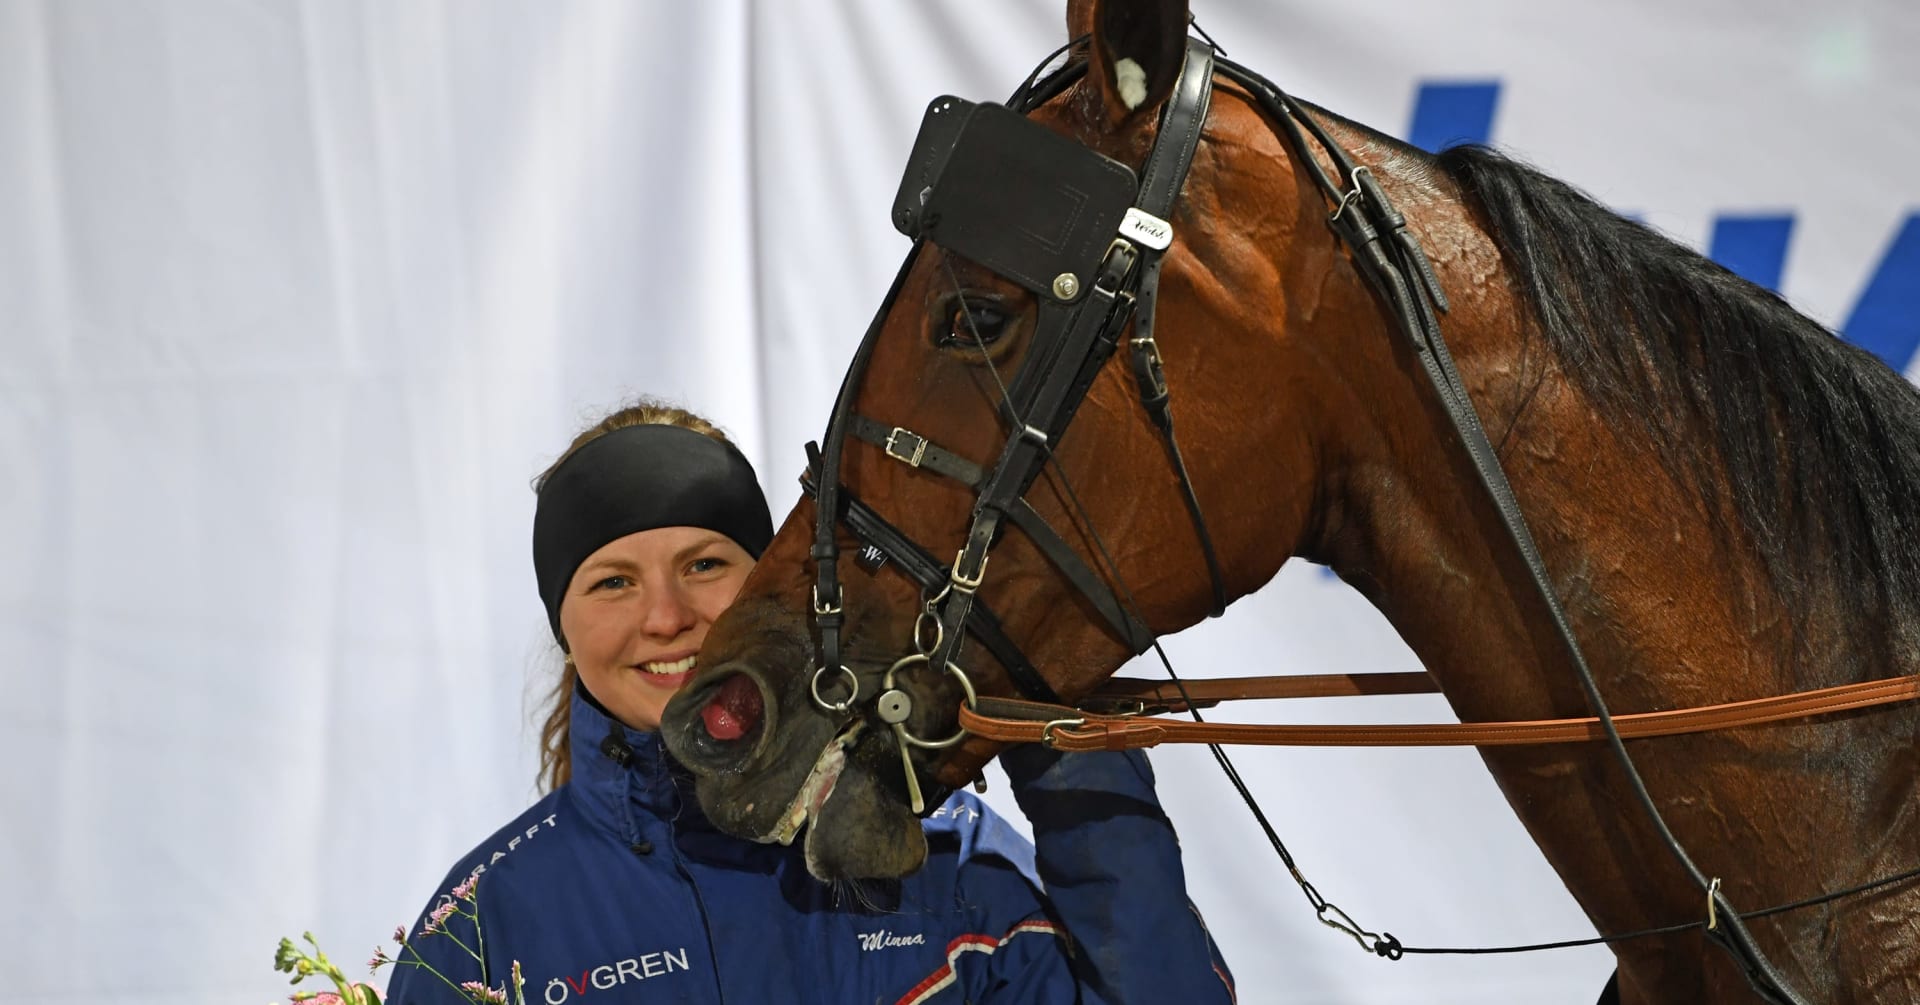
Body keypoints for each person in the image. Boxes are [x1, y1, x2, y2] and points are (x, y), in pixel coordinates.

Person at [386, 400, 1235, 1005]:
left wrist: (1060, 741)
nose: (667, 616)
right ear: (564, 629)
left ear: (769, 588)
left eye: (705, 564)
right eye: (613, 582)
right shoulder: (486, 928)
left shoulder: (941, 870)